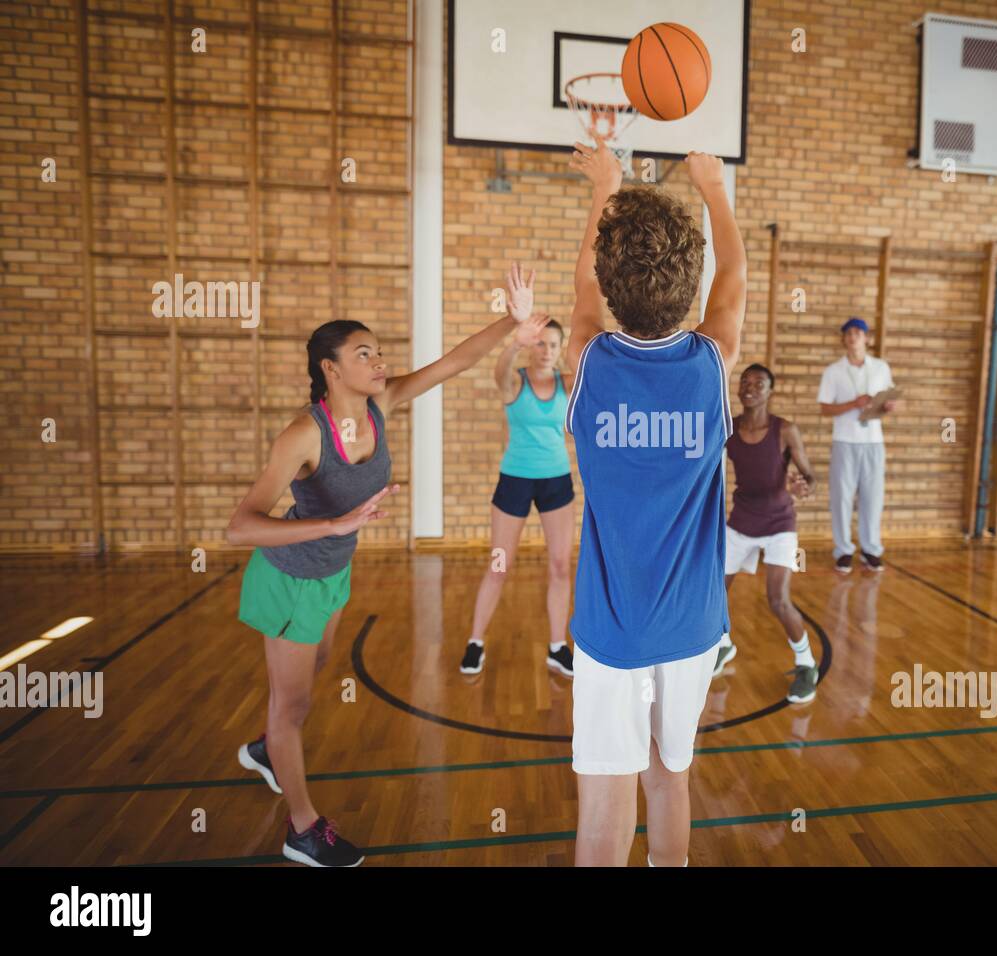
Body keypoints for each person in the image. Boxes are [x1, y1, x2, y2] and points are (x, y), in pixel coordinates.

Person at [228, 284, 544, 867]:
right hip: (289, 580)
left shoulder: (380, 405)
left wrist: (512, 322)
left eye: (378, 352)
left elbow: (455, 363)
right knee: (291, 709)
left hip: (331, 575)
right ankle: (301, 830)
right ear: (330, 369)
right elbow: (240, 526)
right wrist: (332, 524)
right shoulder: (305, 433)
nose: (380, 362)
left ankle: (268, 749)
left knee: (315, 671)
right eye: (364, 355)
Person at [564, 139, 745, 867]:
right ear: (689, 284)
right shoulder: (711, 367)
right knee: (671, 779)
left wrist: (603, 187)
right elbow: (733, 272)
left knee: (604, 804)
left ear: (611, 287)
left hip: (612, 629)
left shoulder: (588, 362)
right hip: (693, 625)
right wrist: (713, 188)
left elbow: (581, 284)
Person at [461, 264, 576, 678]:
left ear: (560, 349)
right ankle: (475, 641)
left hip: (556, 481)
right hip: (515, 480)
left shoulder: (568, 382)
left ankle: (558, 646)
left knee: (561, 565)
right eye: (540, 343)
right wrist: (514, 340)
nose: (545, 349)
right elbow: (498, 373)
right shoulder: (516, 381)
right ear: (532, 345)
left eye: (552, 344)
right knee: (499, 564)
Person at [714, 363, 819, 703]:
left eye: (759, 382)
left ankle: (806, 664)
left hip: (778, 524)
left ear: (770, 391)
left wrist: (803, 486)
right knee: (713, 593)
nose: (750, 387)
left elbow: (809, 478)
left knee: (777, 600)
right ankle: (723, 644)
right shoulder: (729, 428)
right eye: (745, 381)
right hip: (741, 521)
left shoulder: (785, 429)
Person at [817, 317, 899, 573]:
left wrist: (889, 406)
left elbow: (891, 398)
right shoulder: (833, 371)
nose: (853, 337)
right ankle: (843, 550)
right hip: (845, 440)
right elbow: (824, 408)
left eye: (857, 333)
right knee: (842, 498)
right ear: (844, 339)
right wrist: (854, 404)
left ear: (866, 338)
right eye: (848, 333)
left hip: (874, 441)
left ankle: (871, 549)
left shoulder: (881, 368)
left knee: (873, 497)